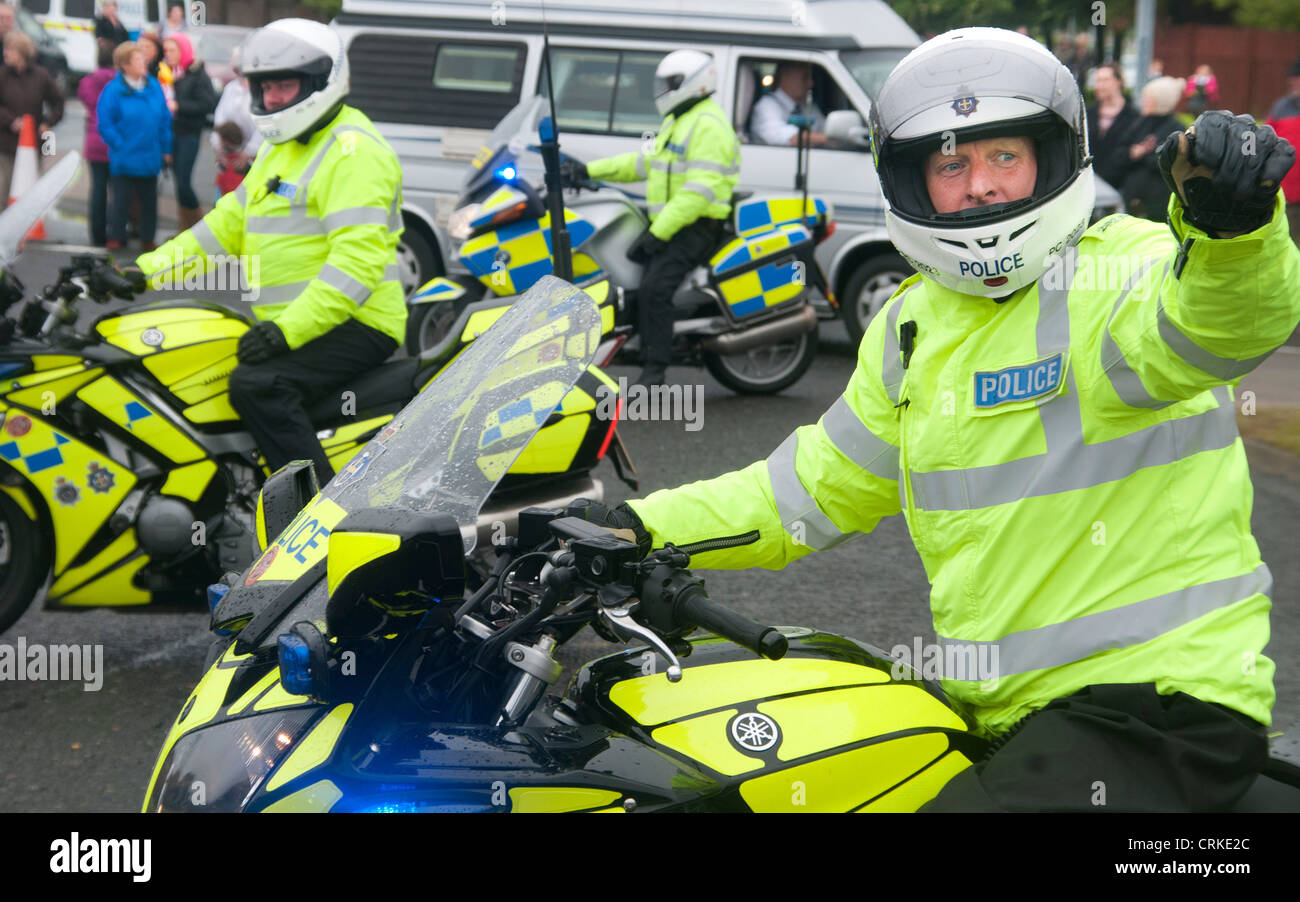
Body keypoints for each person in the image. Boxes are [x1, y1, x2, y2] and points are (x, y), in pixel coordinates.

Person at [569, 27, 1299, 812]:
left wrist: (1232, 236)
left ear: (1051, 159)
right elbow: (805, 492)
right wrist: (632, 527)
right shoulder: (913, 327)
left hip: (1155, 700)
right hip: (1004, 708)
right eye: (952, 164)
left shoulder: (1120, 269)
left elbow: (1220, 327)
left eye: (1003, 157)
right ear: (915, 181)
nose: (980, 186)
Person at [132, 19, 406, 484]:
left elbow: (354, 269)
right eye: (265, 87)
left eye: (285, 84)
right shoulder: (282, 149)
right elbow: (224, 227)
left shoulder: (352, 151)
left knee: (257, 385)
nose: (274, 98)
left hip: (359, 322)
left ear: (322, 81)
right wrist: (140, 274)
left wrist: (285, 333)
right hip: (299, 324)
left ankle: (317, 521)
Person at [560, 50, 740, 387]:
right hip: (673, 223)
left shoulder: (709, 126)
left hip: (697, 227)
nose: (662, 90)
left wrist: (658, 233)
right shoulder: (680, 120)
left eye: (669, 83)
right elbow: (640, 164)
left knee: (655, 289)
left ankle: (654, 370)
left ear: (695, 82)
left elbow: (697, 193)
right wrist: (588, 171)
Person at [97, 40, 170, 251]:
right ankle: (116, 236)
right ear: (125, 65)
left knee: (150, 201)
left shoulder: (154, 86)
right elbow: (105, 123)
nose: (143, 61)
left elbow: (164, 119)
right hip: (124, 156)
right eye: (137, 59)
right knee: (120, 201)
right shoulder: (113, 90)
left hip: (149, 155)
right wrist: (120, 144)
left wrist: (166, 149)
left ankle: (148, 237)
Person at [0, 31, 63, 203]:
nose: (5, 53)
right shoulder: (2, 76)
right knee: (3, 194)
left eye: (10, 49)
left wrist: (47, 123)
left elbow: (58, 103)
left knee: (27, 195)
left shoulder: (41, 76)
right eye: (5, 48)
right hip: (5, 146)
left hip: (32, 147)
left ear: (22, 52)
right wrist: (10, 121)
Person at [163, 33, 216, 232]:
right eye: (165, 50)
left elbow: (208, 104)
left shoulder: (197, 73)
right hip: (172, 134)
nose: (167, 54)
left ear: (183, 50)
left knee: (184, 183)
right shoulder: (169, 72)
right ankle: (184, 229)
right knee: (178, 183)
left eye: (172, 50)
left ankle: (199, 229)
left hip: (189, 134)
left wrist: (179, 106)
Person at [1120, 76, 1186, 222]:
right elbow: (1120, 152)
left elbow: (1171, 163)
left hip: (1157, 206)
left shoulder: (1177, 129)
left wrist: (1144, 154)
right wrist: (1133, 153)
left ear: (1161, 100)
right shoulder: (1140, 122)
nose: (1143, 101)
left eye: (1148, 97)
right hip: (1130, 201)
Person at [78, 39, 117, 246]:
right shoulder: (119, 81)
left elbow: (84, 97)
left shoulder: (88, 81)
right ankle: (115, 232)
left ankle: (97, 234)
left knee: (98, 189)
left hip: (94, 140)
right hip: (115, 141)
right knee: (117, 191)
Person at [209, 46, 261, 198]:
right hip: (228, 156)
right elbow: (219, 118)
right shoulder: (231, 88)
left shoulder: (260, 90)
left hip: (252, 160)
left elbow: (263, 125)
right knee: (223, 199)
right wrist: (218, 147)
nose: (233, 65)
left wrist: (248, 153)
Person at [1086, 61, 1140, 192]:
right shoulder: (1087, 114)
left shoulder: (1134, 116)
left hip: (1120, 188)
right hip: (1090, 186)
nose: (1099, 86)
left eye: (1105, 80)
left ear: (1119, 81)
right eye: (1097, 81)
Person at [750, 60, 830, 147]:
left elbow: (825, 129)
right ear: (785, 78)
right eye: (804, 77)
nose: (811, 83)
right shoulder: (766, 106)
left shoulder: (808, 107)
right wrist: (827, 139)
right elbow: (782, 136)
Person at [1267, 57, 1300, 244]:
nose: (1292, 82)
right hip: (1287, 192)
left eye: (1297, 78)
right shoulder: (1282, 107)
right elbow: (1266, 140)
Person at [212, 120, 249, 198]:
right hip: (237, 192)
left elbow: (219, 170)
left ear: (224, 141)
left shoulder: (225, 157)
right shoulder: (245, 156)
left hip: (226, 192)